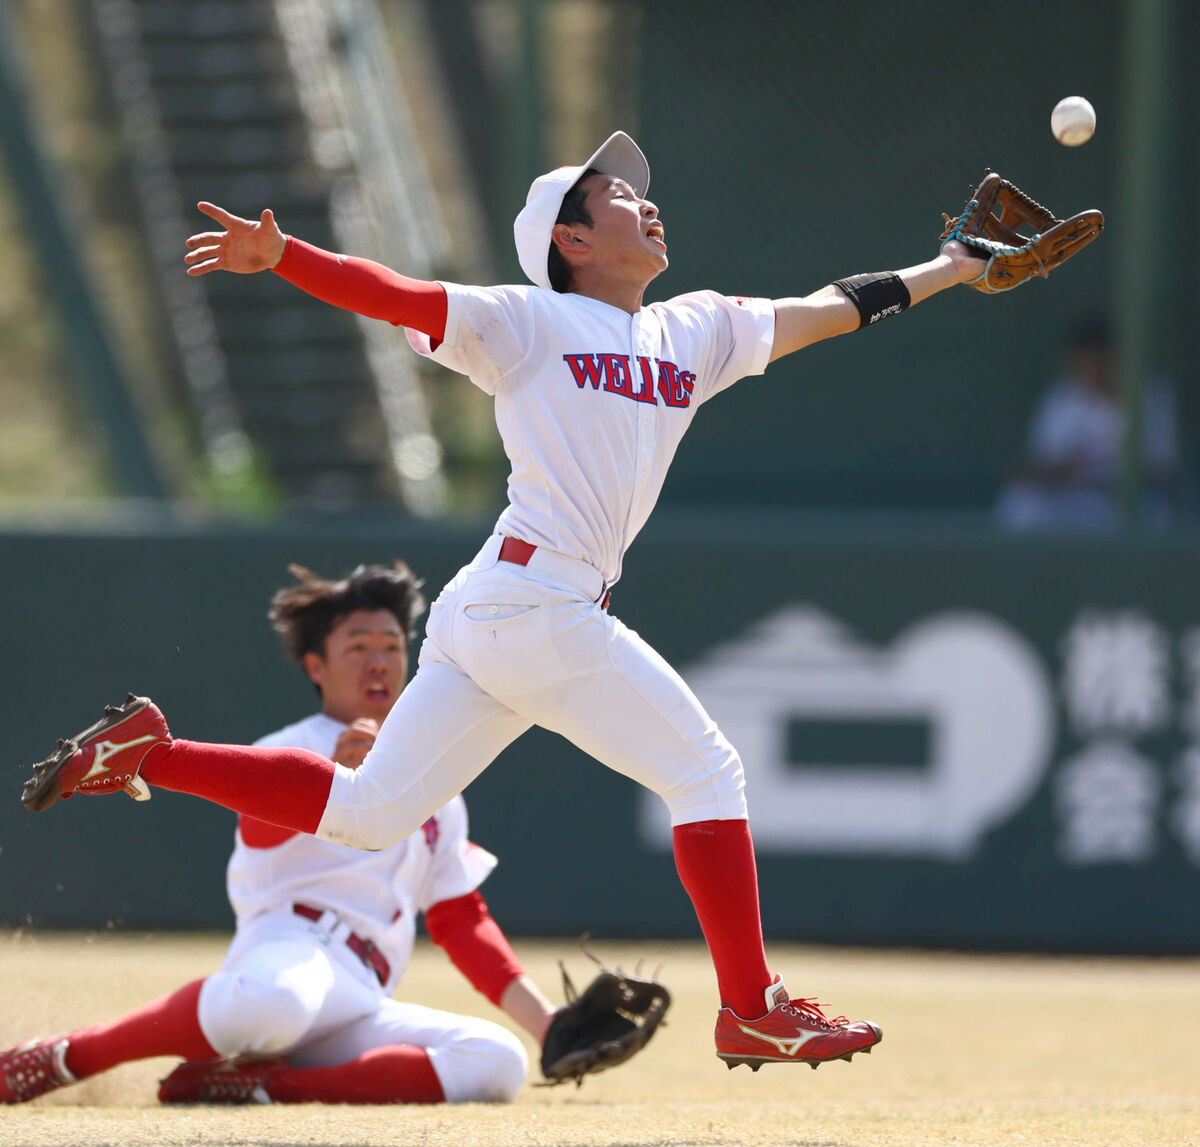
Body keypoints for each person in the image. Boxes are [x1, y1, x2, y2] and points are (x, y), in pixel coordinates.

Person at [24, 131, 1004, 1072]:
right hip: (532, 600)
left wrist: (955, 263)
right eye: (619, 195)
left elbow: (828, 306)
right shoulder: (529, 320)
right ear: (571, 241)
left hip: (498, 608)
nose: (646, 201)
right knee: (707, 771)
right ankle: (752, 1009)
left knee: (370, 814)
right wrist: (286, 256)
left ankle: (147, 752)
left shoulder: (692, 329)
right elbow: (398, 293)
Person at [3, 561, 558, 1105]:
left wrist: (549, 1026)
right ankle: (66, 1056)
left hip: (361, 996)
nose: (379, 662)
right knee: (275, 1005)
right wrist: (340, 788)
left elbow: (458, 917)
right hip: (289, 950)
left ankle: (260, 1084)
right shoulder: (295, 749)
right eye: (357, 646)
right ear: (316, 667)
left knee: (496, 1060)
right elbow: (259, 835)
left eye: (391, 646)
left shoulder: (436, 780)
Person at [995, 316, 1178, 530]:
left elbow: (1163, 471)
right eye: (1084, 360)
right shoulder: (1062, 399)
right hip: (1078, 499)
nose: (1092, 368)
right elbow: (1046, 465)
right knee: (1020, 504)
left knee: (1154, 515)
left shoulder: (1152, 396)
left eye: (1099, 359)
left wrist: (1102, 472)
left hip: (1130, 502)